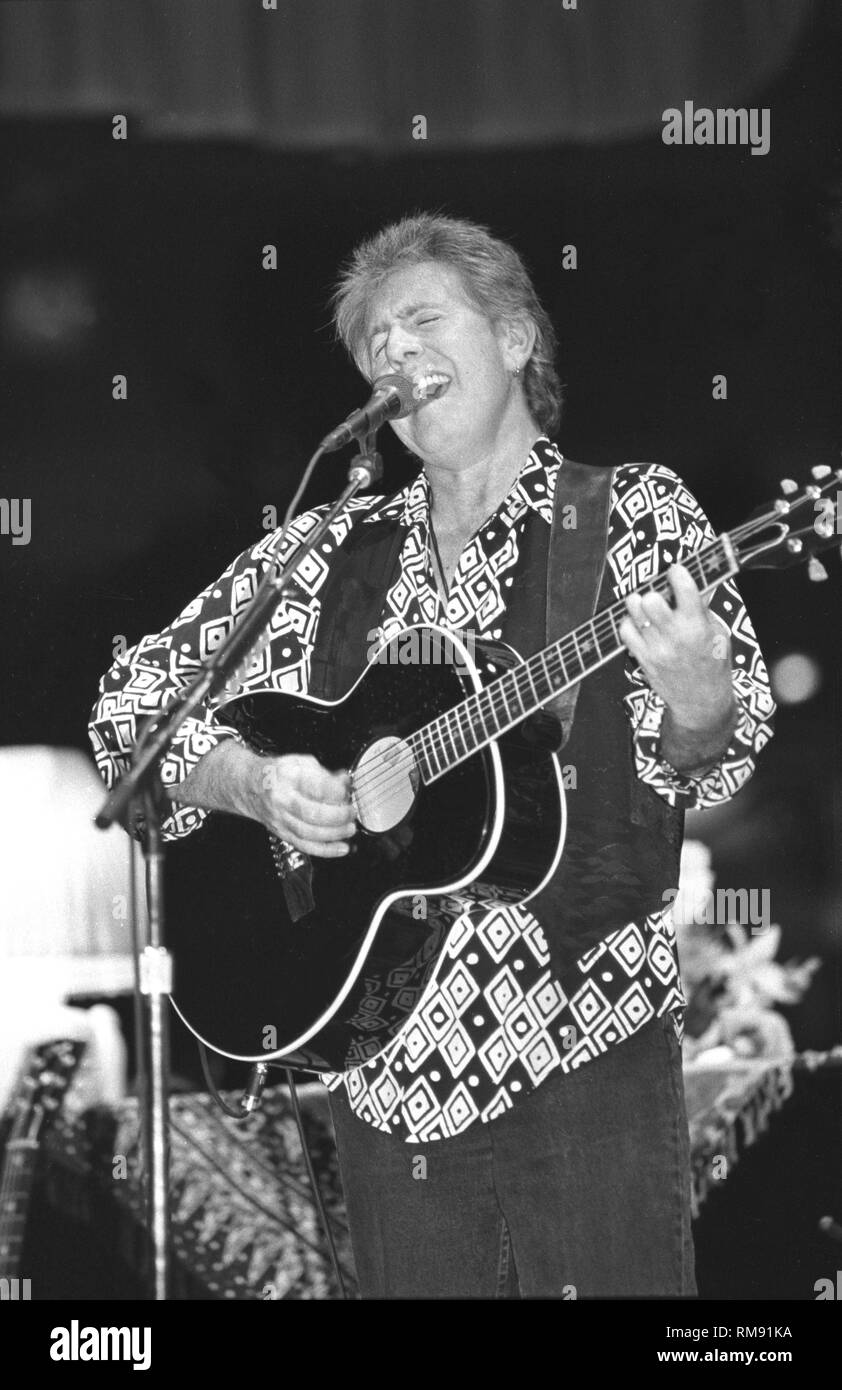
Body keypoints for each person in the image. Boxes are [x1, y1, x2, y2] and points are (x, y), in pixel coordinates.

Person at [90, 213, 775, 1299]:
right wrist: (259, 785)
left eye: (422, 321)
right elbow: (134, 706)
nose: (396, 355)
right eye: (374, 345)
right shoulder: (322, 550)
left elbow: (711, 758)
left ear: (512, 340)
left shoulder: (633, 514)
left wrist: (698, 699)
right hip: (383, 1069)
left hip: (581, 1041)